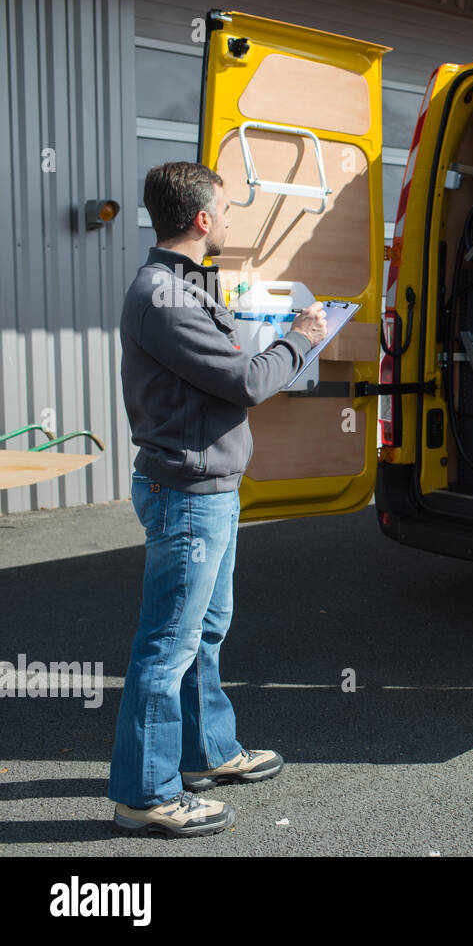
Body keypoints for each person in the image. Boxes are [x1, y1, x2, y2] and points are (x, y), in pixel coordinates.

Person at [109, 161, 327, 838]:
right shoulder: (162, 295)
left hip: (209, 488)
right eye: (226, 209)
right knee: (167, 645)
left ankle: (210, 753)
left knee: (202, 632)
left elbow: (225, 359)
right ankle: (145, 793)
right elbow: (246, 381)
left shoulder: (185, 287)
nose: (230, 219)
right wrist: (303, 339)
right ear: (203, 219)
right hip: (188, 494)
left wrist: (260, 329)